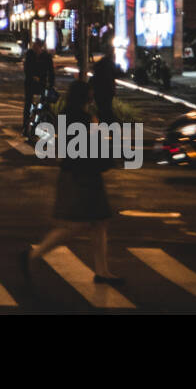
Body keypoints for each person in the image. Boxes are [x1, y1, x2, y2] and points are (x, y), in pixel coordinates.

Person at [20, 79, 123, 288]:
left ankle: (102, 270)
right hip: (84, 176)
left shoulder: (66, 116)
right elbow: (96, 144)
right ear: (87, 97)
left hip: (74, 173)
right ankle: (34, 254)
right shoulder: (85, 118)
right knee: (78, 225)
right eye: (91, 94)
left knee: (98, 223)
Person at [23, 39, 56, 136]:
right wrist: (32, 76)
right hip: (30, 83)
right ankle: (25, 125)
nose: (34, 48)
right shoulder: (29, 54)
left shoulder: (46, 57)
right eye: (34, 46)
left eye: (36, 46)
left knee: (44, 103)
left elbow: (51, 71)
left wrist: (51, 84)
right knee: (28, 103)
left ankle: (42, 122)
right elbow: (27, 68)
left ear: (40, 47)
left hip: (41, 83)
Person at [89, 35, 118, 123]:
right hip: (106, 90)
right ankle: (111, 125)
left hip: (99, 90)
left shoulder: (102, 63)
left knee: (103, 109)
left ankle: (104, 123)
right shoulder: (109, 63)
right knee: (106, 109)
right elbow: (116, 74)